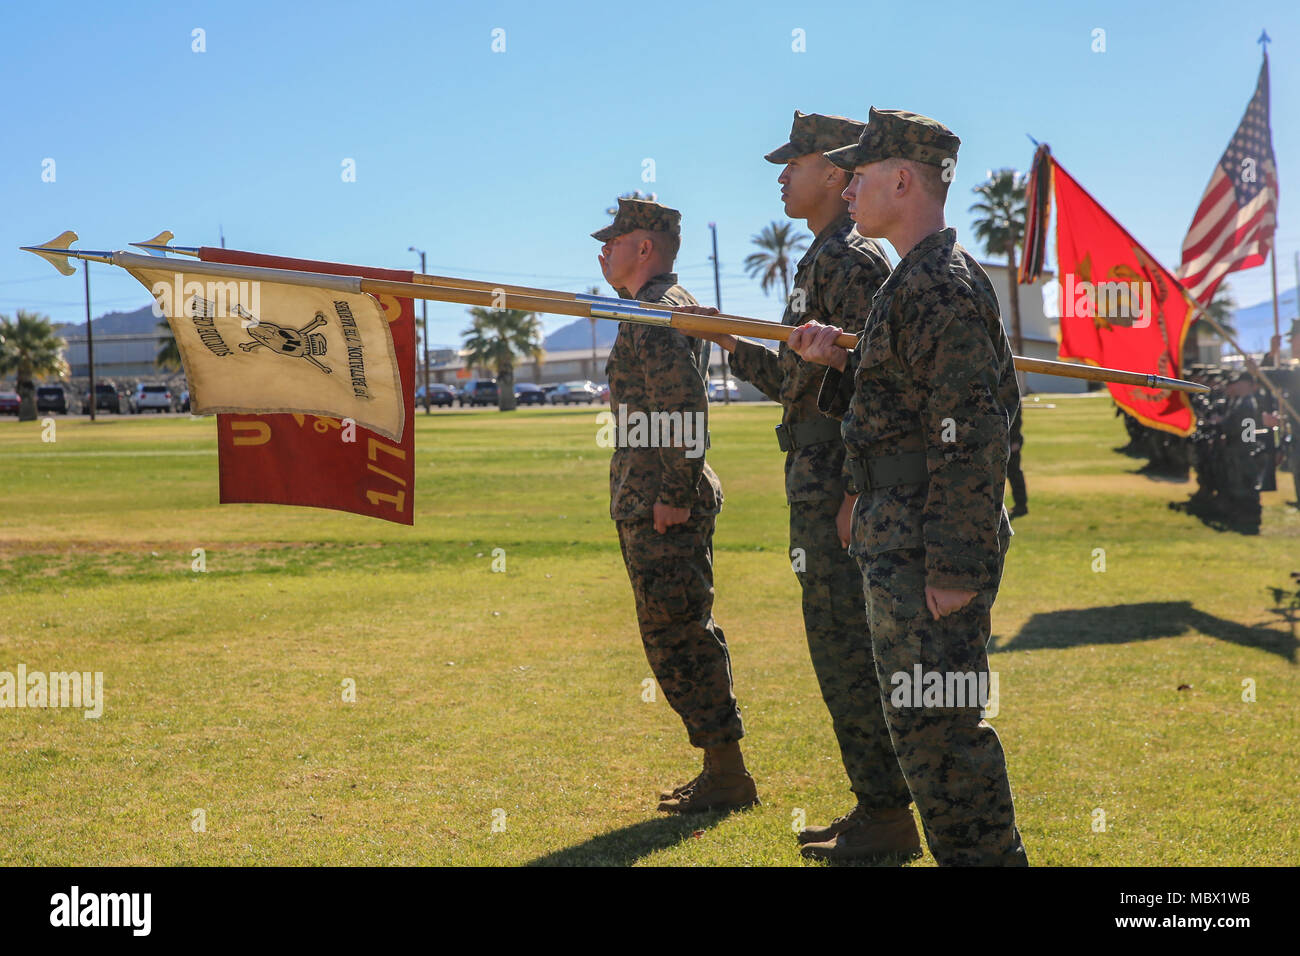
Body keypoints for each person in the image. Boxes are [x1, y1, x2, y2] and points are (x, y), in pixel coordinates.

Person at [789, 107, 1028, 865]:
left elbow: (972, 434)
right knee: (919, 731)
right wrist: (840, 365)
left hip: (928, 542)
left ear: (902, 179)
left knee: (945, 733)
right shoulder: (911, 280)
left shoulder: (941, 285)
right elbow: (904, 402)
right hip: (900, 533)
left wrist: (956, 566)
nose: (848, 186)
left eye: (860, 174)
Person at [680, 110, 916, 858]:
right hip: (815, 477)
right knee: (837, 647)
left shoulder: (851, 262)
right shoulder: (821, 259)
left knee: (851, 649)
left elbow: (877, 387)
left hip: (839, 483)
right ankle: (876, 802)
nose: (782, 176)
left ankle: (888, 813)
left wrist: (855, 491)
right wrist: (726, 341)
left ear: (837, 172)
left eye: (796, 163)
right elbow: (795, 380)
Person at [593, 197, 758, 813]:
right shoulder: (656, 308)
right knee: (679, 630)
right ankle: (721, 766)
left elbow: (683, 408)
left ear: (645, 247)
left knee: (678, 635)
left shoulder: (656, 313)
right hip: (652, 494)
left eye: (615, 239)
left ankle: (727, 772)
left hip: (661, 500)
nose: (603, 250)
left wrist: (672, 496)